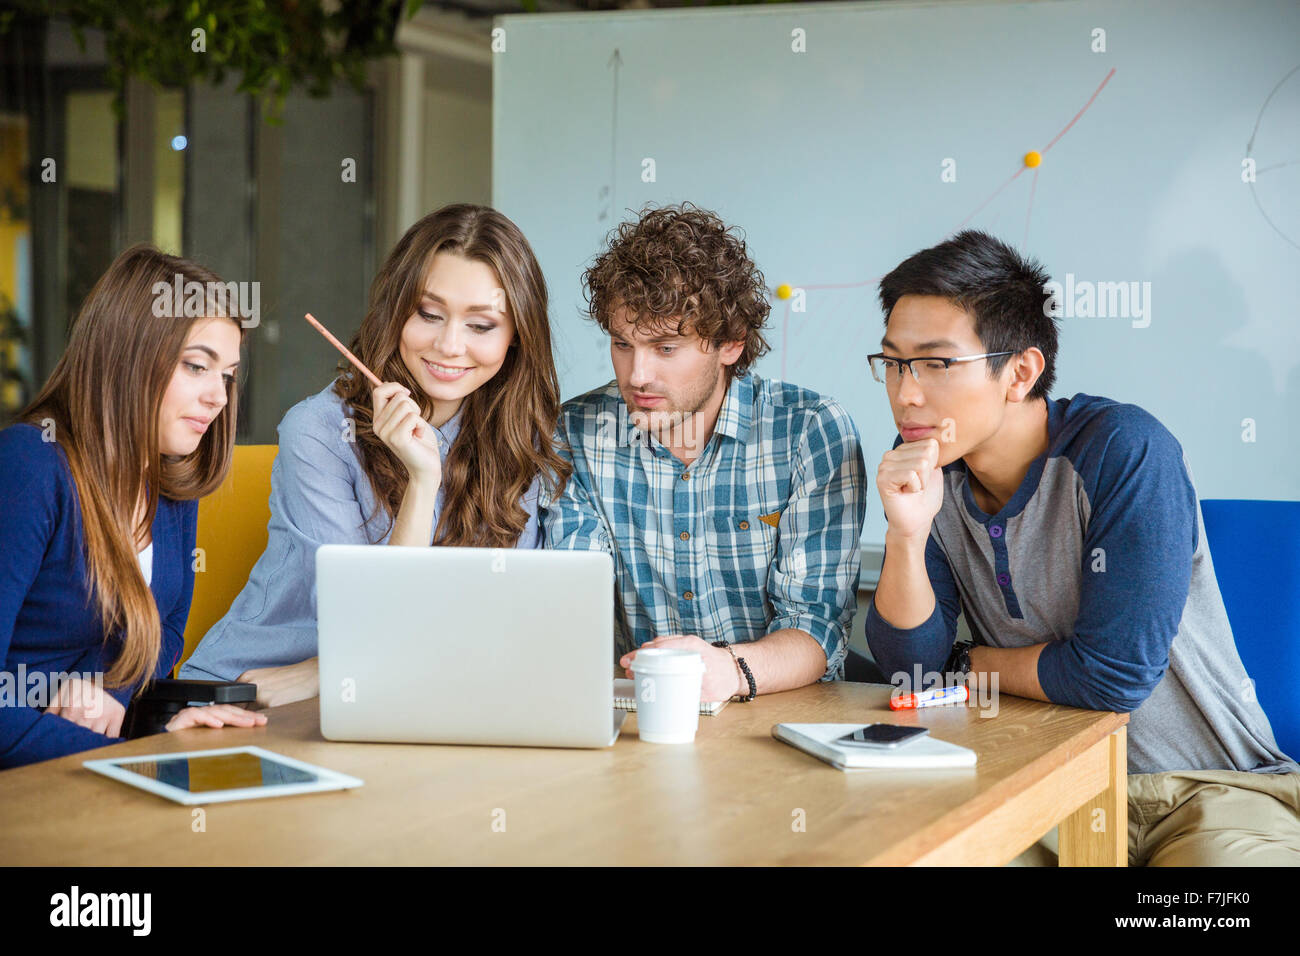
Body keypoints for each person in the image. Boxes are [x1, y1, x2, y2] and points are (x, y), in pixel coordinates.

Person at [863, 229, 1300, 865]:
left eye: (935, 363)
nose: (906, 392)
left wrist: (965, 667)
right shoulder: (934, 479)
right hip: (1039, 789)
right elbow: (910, 671)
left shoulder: (1124, 449)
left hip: (1213, 790)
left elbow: (1112, 676)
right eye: (895, 363)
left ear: (1020, 372)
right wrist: (906, 533)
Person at [181, 204, 569, 706]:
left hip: (404, 694)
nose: (450, 345)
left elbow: (499, 626)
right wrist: (422, 480)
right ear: (396, 309)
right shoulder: (318, 432)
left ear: (517, 336)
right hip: (251, 695)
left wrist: (321, 671)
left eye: (482, 325)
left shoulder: (524, 441)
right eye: (429, 314)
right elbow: (368, 631)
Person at [541, 203, 866, 702]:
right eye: (622, 344)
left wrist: (729, 671)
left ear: (731, 344)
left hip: (782, 717)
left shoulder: (809, 431)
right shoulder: (577, 432)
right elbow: (571, 607)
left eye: (666, 348)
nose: (637, 375)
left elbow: (817, 628)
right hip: (646, 715)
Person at [0, 245, 265, 769]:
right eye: (197, 366)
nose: (219, 396)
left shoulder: (168, 474)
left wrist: (113, 692)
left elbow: (165, 629)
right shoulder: (29, 465)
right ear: (128, 356)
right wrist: (140, 755)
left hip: (88, 760)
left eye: (228, 375)